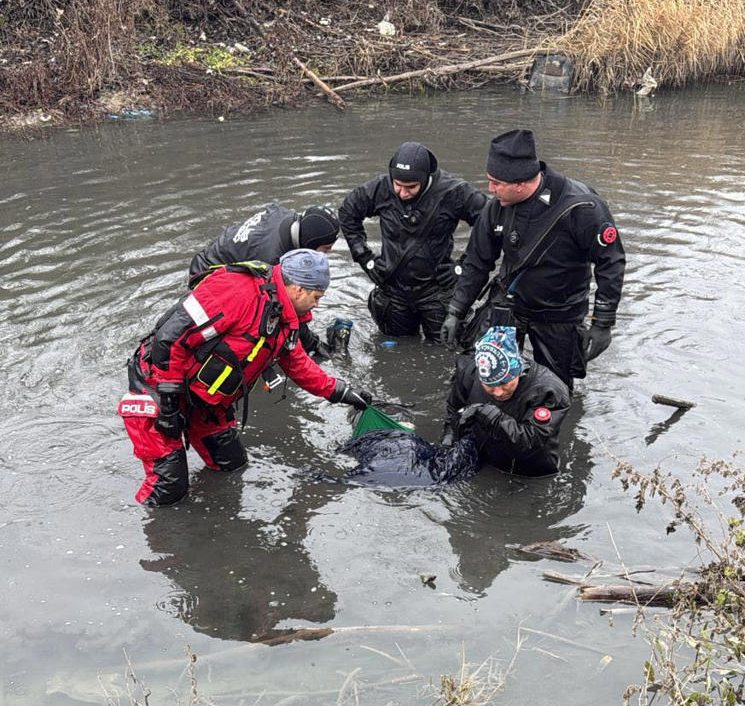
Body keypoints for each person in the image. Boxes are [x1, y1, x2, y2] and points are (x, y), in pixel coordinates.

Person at [118, 250, 370, 506]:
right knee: (169, 488)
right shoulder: (237, 290)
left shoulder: (285, 316)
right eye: (317, 297)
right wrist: (170, 405)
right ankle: (145, 532)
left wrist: (341, 392)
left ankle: (215, 527)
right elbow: (169, 338)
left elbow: (297, 363)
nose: (317, 304)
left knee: (232, 464)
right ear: (299, 290)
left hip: (205, 400)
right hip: (157, 386)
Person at [439, 128, 625, 389]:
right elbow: (477, 262)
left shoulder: (582, 208)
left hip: (560, 311)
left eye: (496, 183)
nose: (490, 189)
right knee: (487, 379)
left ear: (520, 183)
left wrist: (603, 323)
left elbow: (611, 263)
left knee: (554, 389)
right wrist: (455, 311)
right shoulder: (496, 208)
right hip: (511, 303)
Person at [338, 141, 486, 342]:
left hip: (437, 290)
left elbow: (489, 222)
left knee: (445, 349)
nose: (402, 192)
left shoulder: (454, 192)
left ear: (426, 179)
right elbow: (347, 212)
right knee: (395, 348)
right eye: (397, 184)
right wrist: (365, 258)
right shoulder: (380, 188)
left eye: (410, 187)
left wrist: (463, 267)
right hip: (393, 289)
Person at [188, 202, 341, 357]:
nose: (328, 253)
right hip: (205, 275)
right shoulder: (272, 260)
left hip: (214, 256)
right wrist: (314, 345)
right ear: (310, 242)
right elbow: (286, 311)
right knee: (263, 323)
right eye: (326, 249)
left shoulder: (287, 217)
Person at [441, 326, 570, 476]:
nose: (498, 393)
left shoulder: (549, 391)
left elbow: (531, 441)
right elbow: (454, 408)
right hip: (484, 460)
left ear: (518, 370)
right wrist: (449, 437)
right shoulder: (469, 373)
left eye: (504, 384)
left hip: (529, 472)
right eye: (489, 385)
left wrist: (491, 416)